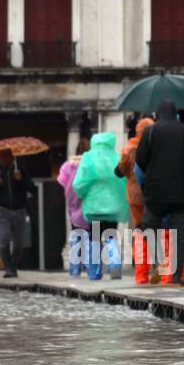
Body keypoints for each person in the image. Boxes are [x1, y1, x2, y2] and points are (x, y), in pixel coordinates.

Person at [136, 99, 184, 286]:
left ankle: (158, 266)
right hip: (180, 192)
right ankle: (176, 276)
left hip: (155, 192)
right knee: (179, 235)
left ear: (158, 114)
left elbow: (140, 159)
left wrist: (152, 172)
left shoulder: (150, 132)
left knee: (150, 228)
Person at [74, 132, 127, 280]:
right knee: (111, 235)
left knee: (95, 237)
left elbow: (79, 183)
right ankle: (115, 265)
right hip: (113, 206)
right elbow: (123, 180)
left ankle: (95, 271)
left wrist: (82, 195)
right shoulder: (116, 157)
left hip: (94, 206)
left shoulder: (88, 158)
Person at [116, 117, 154, 283]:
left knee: (139, 231)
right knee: (156, 230)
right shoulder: (156, 146)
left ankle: (141, 273)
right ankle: (160, 268)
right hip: (153, 194)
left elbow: (119, 171)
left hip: (134, 195)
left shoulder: (129, 146)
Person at [0, 147, 33, 278]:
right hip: (3, 210)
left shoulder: (19, 171)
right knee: (4, 239)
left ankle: (14, 264)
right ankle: (8, 267)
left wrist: (21, 180)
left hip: (19, 209)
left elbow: (31, 187)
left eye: (4, 157)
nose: (2, 160)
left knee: (19, 243)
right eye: (0, 157)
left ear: (11, 157)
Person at [58, 141, 90, 277]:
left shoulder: (68, 165)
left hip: (74, 206)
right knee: (90, 237)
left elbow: (61, 181)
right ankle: (90, 267)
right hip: (90, 205)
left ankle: (75, 268)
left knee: (76, 235)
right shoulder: (91, 164)